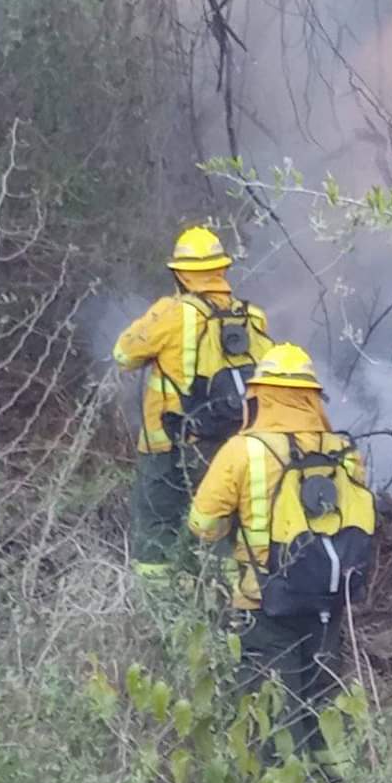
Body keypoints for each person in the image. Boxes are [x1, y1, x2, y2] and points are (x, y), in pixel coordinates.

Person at [188, 342, 376, 763]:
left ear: (259, 395)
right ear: (311, 397)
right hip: (328, 598)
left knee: (272, 709)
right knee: (323, 702)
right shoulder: (344, 452)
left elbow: (202, 525)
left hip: (262, 601)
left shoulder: (243, 450)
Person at [113, 226, 272, 581]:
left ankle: (161, 608)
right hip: (232, 444)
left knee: (157, 526)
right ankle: (230, 609)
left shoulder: (172, 313)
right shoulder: (253, 317)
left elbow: (123, 353)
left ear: (180, 274)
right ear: (222, 271)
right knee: (226, 529)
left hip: (168, 446)